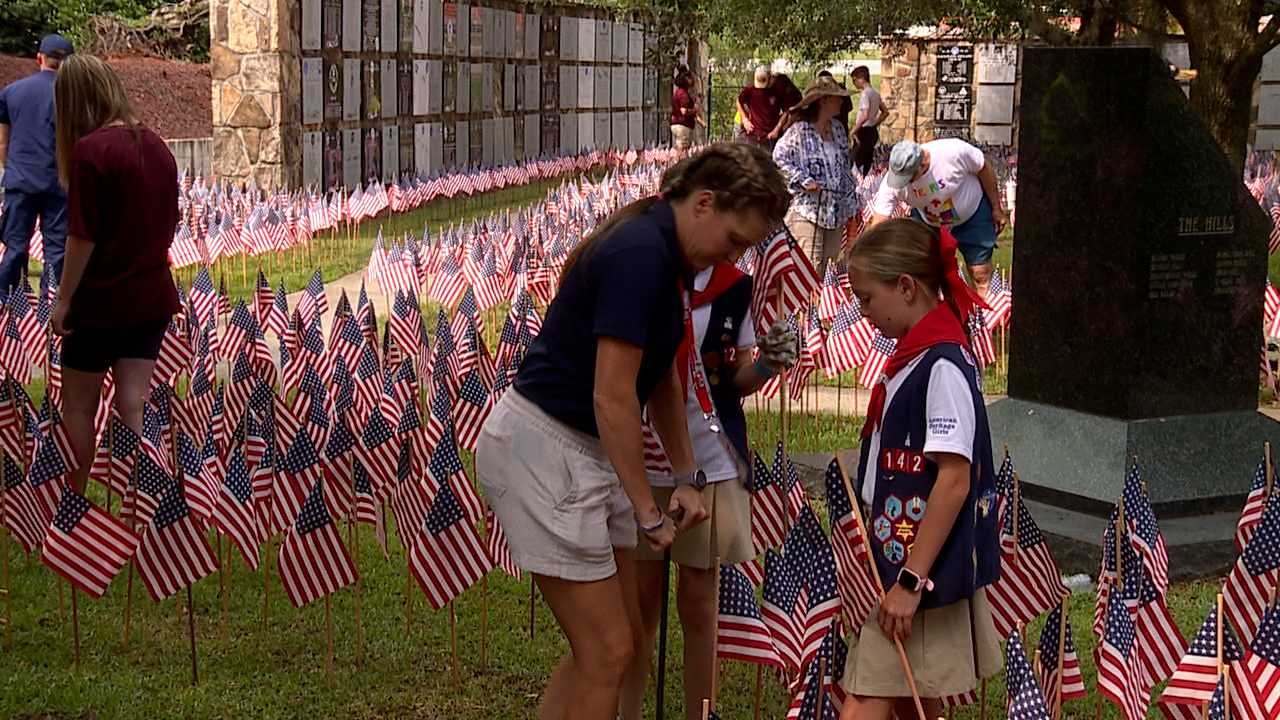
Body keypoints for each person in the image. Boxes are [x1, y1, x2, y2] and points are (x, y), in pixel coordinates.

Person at [476, 143, 790, 720]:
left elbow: (665, 376)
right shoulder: (641, 255)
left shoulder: (667, 254)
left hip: (580, 451)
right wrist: (648, 509)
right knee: (610, 650)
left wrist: (685, 472)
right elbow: (613, 396)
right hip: (547, 448)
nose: (734, 256)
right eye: (735, 240)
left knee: (604, 650)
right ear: (703, 203)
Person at [618, 263, 799, 720]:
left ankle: (701, 712)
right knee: (641, 599)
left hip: (710, 458)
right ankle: (628, 710)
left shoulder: (736, 287)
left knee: (699, 600)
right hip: (644, 456)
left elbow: (735, 379)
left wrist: (765, 364)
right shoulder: (648, 271)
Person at [836, 218, 1001, 720]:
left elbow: (954, 480)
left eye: (868, 299)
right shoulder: (916, 358)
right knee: (914, 701)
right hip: (898, 562)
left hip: (915, 572)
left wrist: (910, 582)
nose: (863, 313)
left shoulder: (942, 367)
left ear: (906, 287)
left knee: (866, 700)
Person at [49, 54, 180, 493]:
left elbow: (81, 237)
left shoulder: (91, 151)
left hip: (100, 301)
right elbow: (171, 222)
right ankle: (147, 502)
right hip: (151, 296)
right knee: (133, 403)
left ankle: (74, 501)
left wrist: (64, 298)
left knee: (79, 408)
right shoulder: (158, 147)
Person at [867, 139, 1010, 298]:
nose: (903, 184)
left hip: (972, 214)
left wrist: (996, 208)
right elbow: (879, 221)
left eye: (908, 178)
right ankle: (940, 314)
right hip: (929, 222)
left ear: (922, 164)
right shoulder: (892, 183)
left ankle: (984, 316)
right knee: (925, 272)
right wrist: (869, 257)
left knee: (980, 272)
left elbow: (983, 167)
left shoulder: (953, 152)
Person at [0, 34, 74, 293]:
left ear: (39, 58)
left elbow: (2, 142)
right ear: (68, 63)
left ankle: (7, 305)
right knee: (55, 250)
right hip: (58, 182)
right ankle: (49, 305)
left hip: (20, 180)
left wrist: (11, 168)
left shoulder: (10, 93)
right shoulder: (72, 96)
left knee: (15, 246)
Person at [773, 76, 859, 270]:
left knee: (829, 268)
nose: (841, 101)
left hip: (835, 212)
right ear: (823, 100)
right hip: (808, 210)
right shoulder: (799, 131)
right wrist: (803, 180)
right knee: (810, 268)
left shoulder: (838, 130)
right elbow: (779, 158)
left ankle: (822, 302)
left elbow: (844, 168)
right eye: (837, 97)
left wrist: (853, 204)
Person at [849, 66, 888, 176]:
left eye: (854, 80)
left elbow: (865, 114)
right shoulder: (875, 93)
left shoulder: (865, 94)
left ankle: (859, 187)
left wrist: (854, 129)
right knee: (867, 162)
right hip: (872, 130)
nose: (854, 83)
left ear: (861, 78)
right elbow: (885, 112)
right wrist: (875, 123)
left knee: (856, 162)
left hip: (864, 131)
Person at [735, 65, 780, 148]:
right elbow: (738, 101)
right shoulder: (750, 90)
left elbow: (787, 110)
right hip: (753, 136)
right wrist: (745, 120)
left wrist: (777, 129)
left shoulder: (777, 92)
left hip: (770, 137)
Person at [766, 73, 802, 142]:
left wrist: (779, 130)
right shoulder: (777, 87)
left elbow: (791, 112)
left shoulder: (785, 89)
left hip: (795, 120)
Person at [671, 66, 699, 151]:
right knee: (682, 150)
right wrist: (694, 110)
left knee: (681, 147)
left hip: (677, 123)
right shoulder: (683, 94)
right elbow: (683, 111)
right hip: (683, 125)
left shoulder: (678, 92)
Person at [817, 69, 854, 135]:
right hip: (842, 125)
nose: (840, 101)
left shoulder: (838, 91)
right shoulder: (842, 89)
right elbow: (850, 107)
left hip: (837, 126)